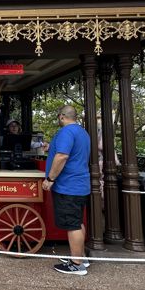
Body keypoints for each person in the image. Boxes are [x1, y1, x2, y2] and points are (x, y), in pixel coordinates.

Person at [42, 105, 91, 276]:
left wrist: (50, 179)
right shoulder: (82, 132)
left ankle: (76, 264)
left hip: (68, 185)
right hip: (80, 184)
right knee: (77, 221)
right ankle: (80, 256)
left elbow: (62, 156)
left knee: (72, 224)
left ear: (62, 117)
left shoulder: (66, 132)